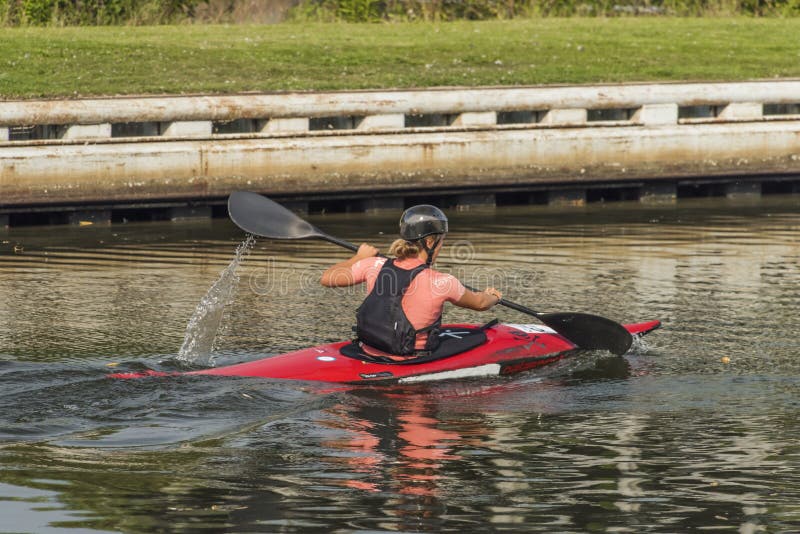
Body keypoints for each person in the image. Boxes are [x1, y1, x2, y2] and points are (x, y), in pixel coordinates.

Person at [320, 205, 502, 358]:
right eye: (441, 242)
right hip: (407, 357)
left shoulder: (374, 265)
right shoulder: (442, 282)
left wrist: (357, 258)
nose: (441, 247)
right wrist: (493, 296)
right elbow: (480, 303)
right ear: (430, 242)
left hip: (368, 348)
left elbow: (327, 278)